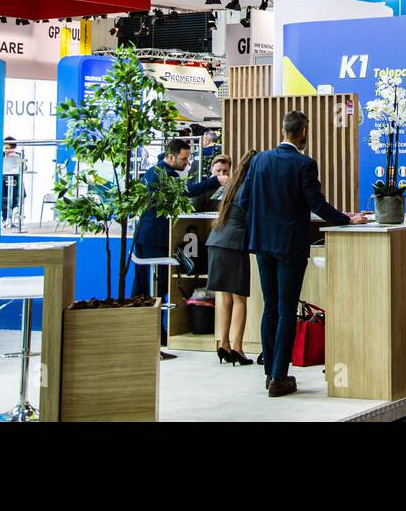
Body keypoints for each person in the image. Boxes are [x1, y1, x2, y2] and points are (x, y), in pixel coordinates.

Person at [240, 111, 367, 396]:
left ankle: (269, 373)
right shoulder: (304, 164)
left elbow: (242, 199)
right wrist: (347, 219)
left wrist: (266, 218)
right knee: (287, 310)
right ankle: (279, 377)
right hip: (290, 247)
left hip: (262, 244)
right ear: (303, 132)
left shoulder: (259, 160)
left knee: (270, 308)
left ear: (284, 130)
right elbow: (317, 205)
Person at [131, 138, 223, 300]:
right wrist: (215, 181)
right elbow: (187, 191)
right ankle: (153, 323)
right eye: (184, 159)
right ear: (171, 157)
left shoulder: (154, 171)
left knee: (142, 286)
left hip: (144, 235)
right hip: (154, 238)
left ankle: (146, 322)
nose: (187, 163)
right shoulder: (164, 174)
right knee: (157, 286)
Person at [207, 150, 255, 366]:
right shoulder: (249, 188)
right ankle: (238, 347)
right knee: (239, 299)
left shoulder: (231, 185)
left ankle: (223, 344)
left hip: (216, 241)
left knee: (225, 298)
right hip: (234, 244)